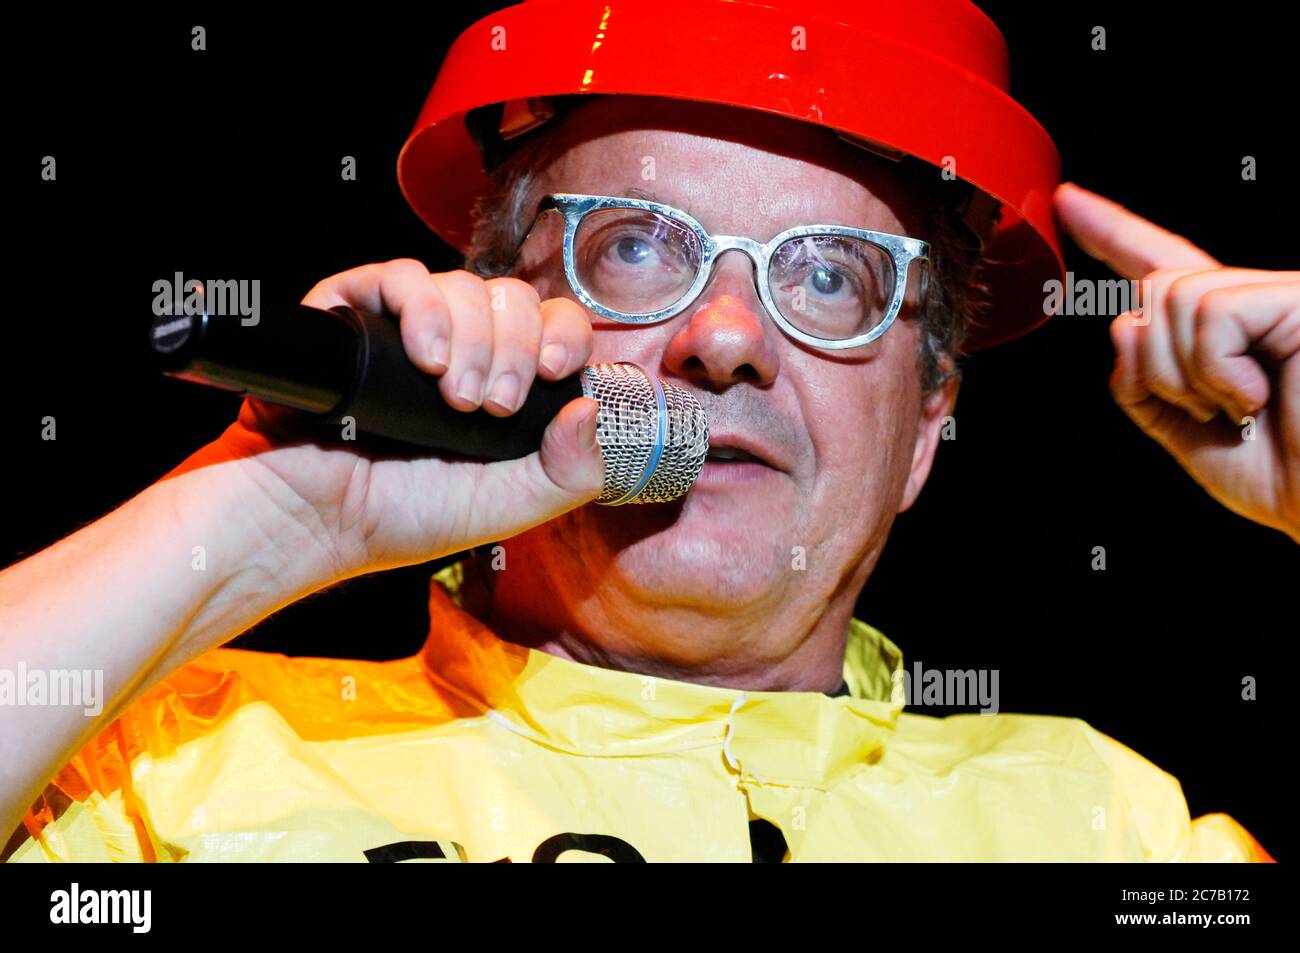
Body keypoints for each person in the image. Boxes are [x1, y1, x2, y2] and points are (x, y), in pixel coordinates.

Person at [2, 0, 1290, 862]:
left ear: (923, 428)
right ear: (506, 319)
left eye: (829, 275)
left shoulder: (1116, 832)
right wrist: (271, 515)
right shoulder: (163, 769)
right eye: (637, 250)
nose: (723, 337)